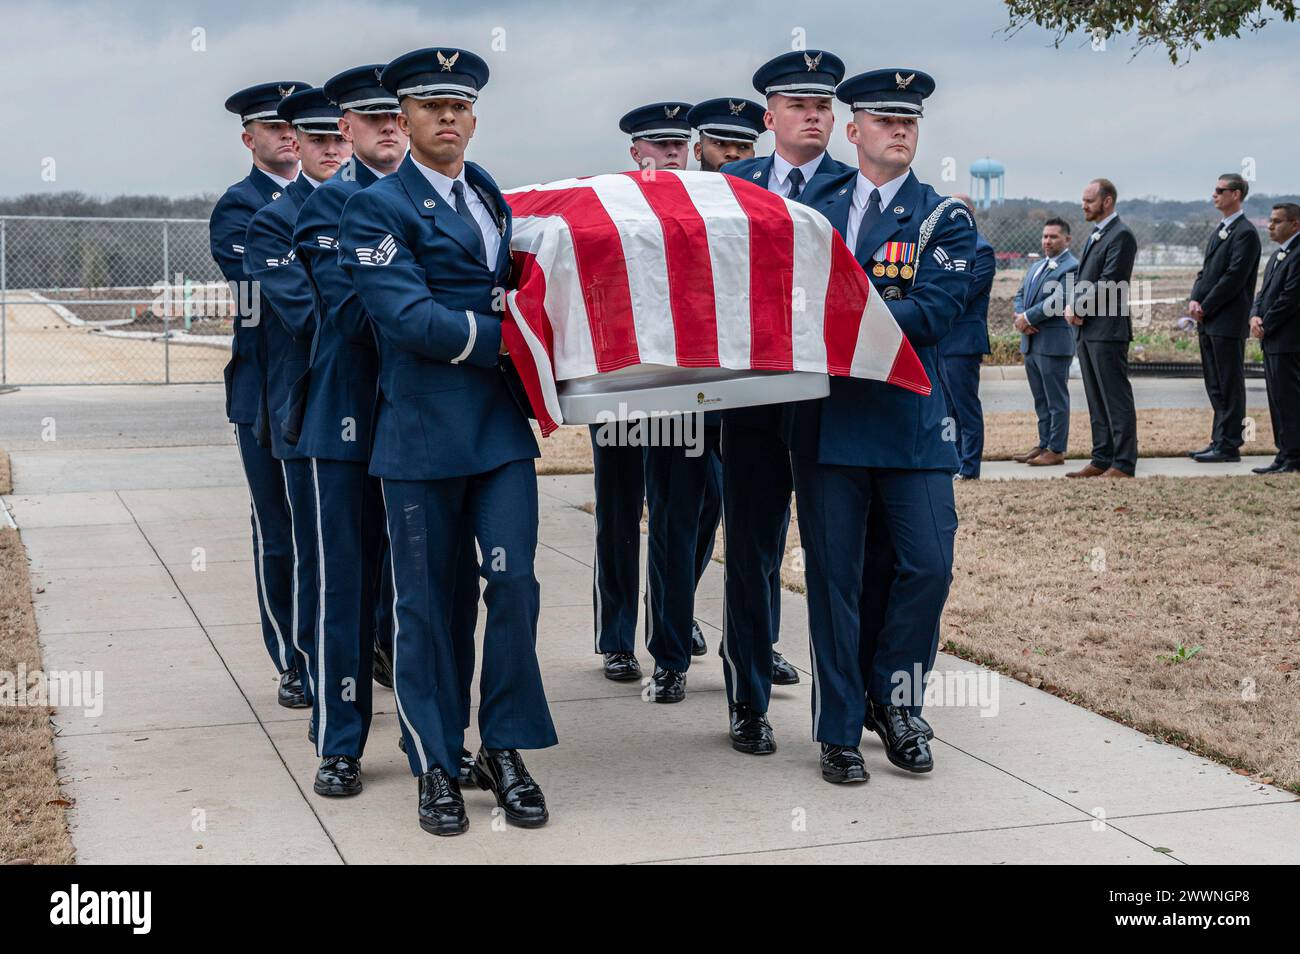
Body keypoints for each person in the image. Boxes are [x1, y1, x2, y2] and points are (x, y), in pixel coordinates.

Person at [340, 47, 557, 836]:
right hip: (424, 432)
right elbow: (405, 317)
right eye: (431, 107)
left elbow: (511, 280)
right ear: (403, 119)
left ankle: (503, 748)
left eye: (459, 106)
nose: (448, 118)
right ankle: (437, 760)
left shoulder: (488, 193)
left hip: (498, 430)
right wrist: (512, 336)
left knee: (514, 587)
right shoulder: (373, 208)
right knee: (427, 606)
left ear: (474, 115)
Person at [291, 64, 480, 798]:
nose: (392, 129)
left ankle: (429, 740)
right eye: (374, 120)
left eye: (396, 118)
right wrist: (437, 306)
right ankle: (340, 741)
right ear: (346, 130)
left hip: (424, 422)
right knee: (349, 586)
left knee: (427, 590)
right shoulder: (323, 211)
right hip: (350, 423)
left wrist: (430, 300)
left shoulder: (441, 200)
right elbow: (358, 315)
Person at [790, 66, 974, 783]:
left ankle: (895, 699)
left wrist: (833, 320)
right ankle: (839, 729)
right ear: (854, 128)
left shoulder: (941, 217)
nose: (900, 131)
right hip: (829, 424)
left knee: (927, 565)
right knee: (834, 580)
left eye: (910, 122)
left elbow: (935, 311)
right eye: (886, 120)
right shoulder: (814, 207)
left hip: (910, 423)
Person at [715, 49, 856, 755]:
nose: (815, 116)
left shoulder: (855, 187)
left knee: (833, 560)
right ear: (769, 117)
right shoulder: (731, 184)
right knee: (752, 552)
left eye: (825, 107)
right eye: (800, 106)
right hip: (751, 398)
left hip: (827, 399)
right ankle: (747, 697)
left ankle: (839, 725)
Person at [245, 87, 351, 736]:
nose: (331, 150)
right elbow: (311, 316)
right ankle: (310, 664)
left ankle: (370, 655)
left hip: (378, 406)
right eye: (317, 142)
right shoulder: (271, 220)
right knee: (317, 550)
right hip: (310, 405)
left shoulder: (377, 203)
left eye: (338, 138)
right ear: (301, 146)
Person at [211, 80, 308, 709]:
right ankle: (292, 657)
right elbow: (274, 291)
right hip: (266, 391)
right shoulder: (239, 208)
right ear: (250, 139)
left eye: (292, 125)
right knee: (279, 530)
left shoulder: (336, 195)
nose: (287, 135)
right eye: (273, 127)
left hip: (324, 388)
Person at [683, 96, 766, 656]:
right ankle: (671, 630)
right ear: (699, 150)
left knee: (752, 525)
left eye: (743, 146)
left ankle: (757, 641)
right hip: (686, 388)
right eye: (722, 146)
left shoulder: (767, 204)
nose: (733, 155)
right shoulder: (678, 203)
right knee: (685, 515)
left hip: (753, 387)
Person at [1065, 178, 1139, 478]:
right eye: (1083, 200)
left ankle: (1122, 462)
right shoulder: (1098, 234)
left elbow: (1110, 282)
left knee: (1115, 397)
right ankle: (1101, 457)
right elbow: (1087, 280)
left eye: (1089, 200)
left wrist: (1079, 308)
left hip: (1108, 330)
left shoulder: (1121, 236)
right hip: (1088, 330)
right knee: (1096, 397)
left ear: (1107, 202)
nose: (1084, 205)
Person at [1187, 173, 1262, 463]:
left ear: (1237, 194)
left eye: (1220, 190)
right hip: (1208, 319)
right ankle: (1218, 438)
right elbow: (1206, 272)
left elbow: (1234, 278)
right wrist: (1195, 297)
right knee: (1215, 382)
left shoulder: (1245, 233)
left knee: (1229, 382)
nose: (1214, 194)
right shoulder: (1221, 229)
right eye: (1214, 189)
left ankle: (1230, 444)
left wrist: (1207, 304)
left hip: (1227, 319)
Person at [1012, 218, 1079, 466]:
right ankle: (1043, 444)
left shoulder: (1072, 267)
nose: (1047, 241)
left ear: (1067, 240)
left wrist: (1027, 317)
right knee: (1041, 399)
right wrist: (1021, 317)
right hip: (1031, 341)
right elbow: (1020, 294)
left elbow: (1060, 300)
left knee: (1056, 400)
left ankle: (1056, 449)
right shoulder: (1038, 266)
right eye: (1045, 236)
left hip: (1053, 344)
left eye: (1053, 237)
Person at [938, 193, 994, 479]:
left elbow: (965, 292)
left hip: (963, 342)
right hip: (943, 341)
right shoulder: (945, 248)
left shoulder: (981, 250)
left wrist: (936, 297)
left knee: (965, 406)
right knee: (948, 408)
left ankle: (970, 466)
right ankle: (955, 460)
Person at [1249, 202, 1300, 474]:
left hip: (1289, 341)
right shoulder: (1278, 255)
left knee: (1289, 399)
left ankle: (1294, 456)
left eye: (1277, 221)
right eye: (1270, 220)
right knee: (1277, 399)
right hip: (1272, 339)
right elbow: (1263, 293)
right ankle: (1283, 453)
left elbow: (1290, 298)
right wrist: (1255, 316)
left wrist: (1266, 323)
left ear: (1295, 224)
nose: (1270, 225)